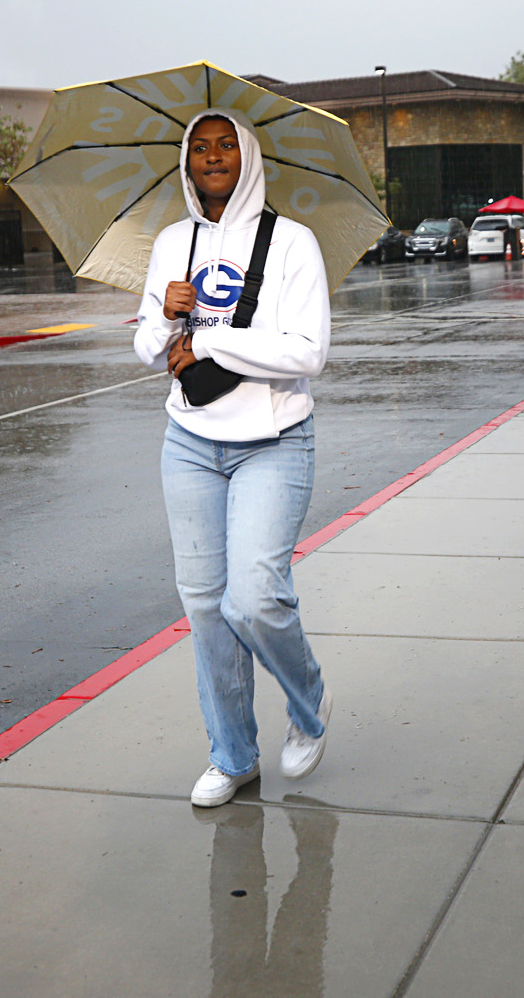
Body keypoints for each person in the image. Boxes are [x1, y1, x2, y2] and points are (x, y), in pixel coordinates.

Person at [134, 108, 333, 808]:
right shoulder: (172, 242)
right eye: (199, 148)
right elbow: (145, 350)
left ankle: (308, 699)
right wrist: (165, 314)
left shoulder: (293, 244)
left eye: (225, 145)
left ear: (247, 156)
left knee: (253, 597)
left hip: (273, 441)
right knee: (207, 609)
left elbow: (307, 351)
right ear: (186, 165)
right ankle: (233, 753)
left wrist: (213, 342)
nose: (212, 156)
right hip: (188, 441)